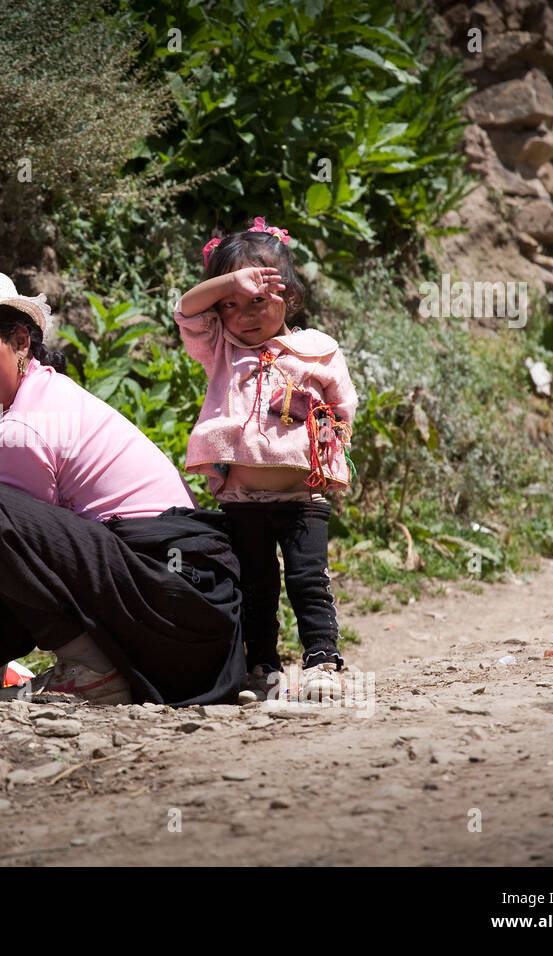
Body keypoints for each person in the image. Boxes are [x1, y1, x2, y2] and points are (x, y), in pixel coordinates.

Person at [0, 268, 247, 706]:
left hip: (176, 602)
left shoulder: (28, 425)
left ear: (20, 341)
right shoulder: (36, 404)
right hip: (186, 615)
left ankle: (91, 669)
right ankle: (92, 665)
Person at [174, 218, 357, 702]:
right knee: (255, 587)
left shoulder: (315, 351)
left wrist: (327, 435)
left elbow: (343, 408)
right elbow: (185, 309)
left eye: (259, 300)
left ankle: (323, 660)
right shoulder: (221, 350)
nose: (245, 314)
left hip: (303, 496)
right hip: (241, 499)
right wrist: (229, 282)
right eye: (231, 305)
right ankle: (262, 667)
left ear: (290, 298)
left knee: (307, 580)